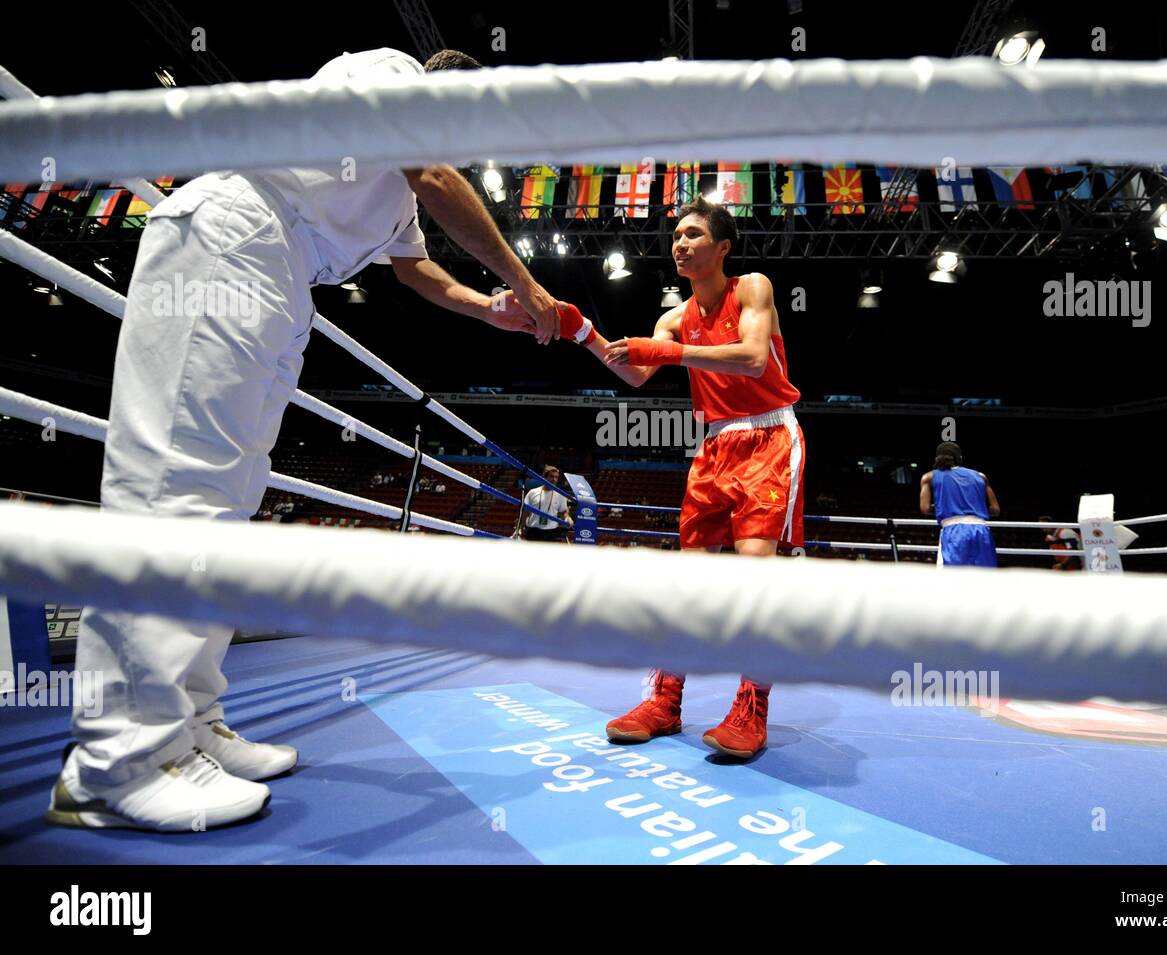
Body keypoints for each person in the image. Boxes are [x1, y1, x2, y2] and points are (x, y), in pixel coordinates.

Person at [47, 48, 562, 833]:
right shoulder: (395, 76)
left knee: (227, 502)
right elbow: (430, 172)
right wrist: (527, 284)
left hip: (282, 274)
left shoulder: (394, 182)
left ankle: (188, 724)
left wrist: (486, 308)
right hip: (235, 235)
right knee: (176, 492)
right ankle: (115, 761)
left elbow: (415, 269)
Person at [550, 198, 803, 760]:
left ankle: (751, 707)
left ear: (722, 248)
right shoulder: (674, 315)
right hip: (713, 446)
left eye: (693, 234)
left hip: (767, 438)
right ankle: (665, 700)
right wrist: (583, 331)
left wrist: (674, 351)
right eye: (676, 236)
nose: (680, 244)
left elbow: (755, 357)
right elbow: (636, 370)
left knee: (755, 578)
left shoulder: (752, 288)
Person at [918, 442, 1001, 567]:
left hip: (954, 531)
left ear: (937, 458)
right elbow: (995, 509)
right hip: (981, 530)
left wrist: (945, 506)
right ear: (960, 458)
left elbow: (925, 508)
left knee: (952, 578)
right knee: (985, 577)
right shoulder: (981, 476)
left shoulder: (929, 477)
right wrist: (974, 509)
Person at [517, 466, 571, 542]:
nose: (554, 479)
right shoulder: (533, 492)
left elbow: (564, 511)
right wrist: (521, 527)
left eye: (556, 477)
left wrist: (567, 518)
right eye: (551, 476)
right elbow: (525, 511)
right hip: (533, 530)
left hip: (551, 532)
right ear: (544, 477)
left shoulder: (560, 495)